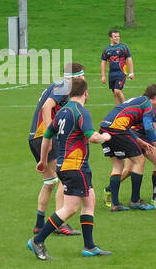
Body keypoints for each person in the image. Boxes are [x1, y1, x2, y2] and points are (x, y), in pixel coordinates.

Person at [30, 77, 112, 258]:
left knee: (89, 201)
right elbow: (92, 137)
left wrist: (43, 160)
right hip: (75, 166)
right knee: (70, 208)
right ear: (86, 93)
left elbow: (46, 136)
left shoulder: (61, 112)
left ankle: (89, 246)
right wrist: (105, 137)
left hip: (69, 165)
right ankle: (38, 240)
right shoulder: (81, 113)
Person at [28, 63, 84, 239]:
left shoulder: (59, 85)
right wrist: (49, 134)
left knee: (50, 182)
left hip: (34, 138)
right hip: (43, 136)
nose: (84, 80)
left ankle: (39, 224)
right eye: (82, 76)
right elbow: (47, 107)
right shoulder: (65, 86)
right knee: (64, 177)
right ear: (75, 76)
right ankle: (61, 222)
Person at [99, 84, 156, 211]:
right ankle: (135, 201)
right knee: (139, 160)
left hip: (104, 128)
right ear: (155, 97)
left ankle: (115, 204)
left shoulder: (138, 100)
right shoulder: (147, 104)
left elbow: (126, 124)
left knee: (117, 166)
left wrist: (139, 141)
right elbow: (148, 127)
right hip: (117, 131)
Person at [102, 29, 134, 104]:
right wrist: (103, 76)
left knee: (117, 91)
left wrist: (131, 72)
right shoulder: (107, 49)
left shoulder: (123, 47)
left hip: (121, 72)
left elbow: (129, 59)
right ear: (111, 38)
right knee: (115, 93)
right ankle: (118, 110)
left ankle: (124, 106)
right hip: (111, 74)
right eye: (115, 36)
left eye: (118, 36)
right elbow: (103, 62)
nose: (117, 38)